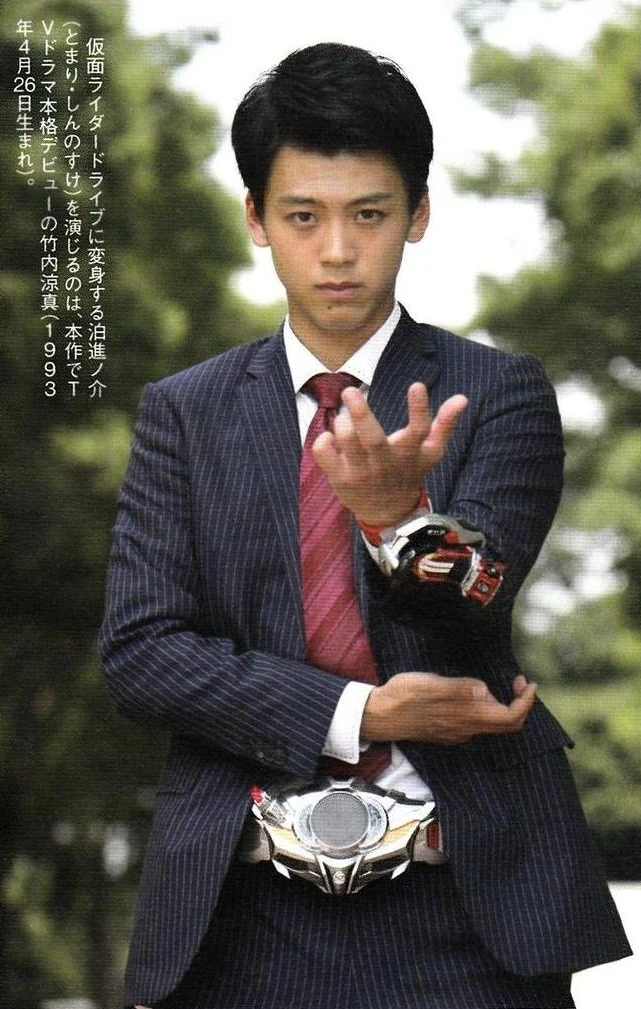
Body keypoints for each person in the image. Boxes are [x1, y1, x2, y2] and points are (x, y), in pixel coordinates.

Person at [99, 42, 631, 1009]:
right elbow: (141, 652)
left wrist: (398, 519)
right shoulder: (185, 411)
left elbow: (480, 597)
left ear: (417, 214)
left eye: (370, 214)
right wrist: (360, 714)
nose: (337, 250)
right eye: (303, 216)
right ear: (256, 218)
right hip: (240, 908)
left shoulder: (495, 392)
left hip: (466, 906)